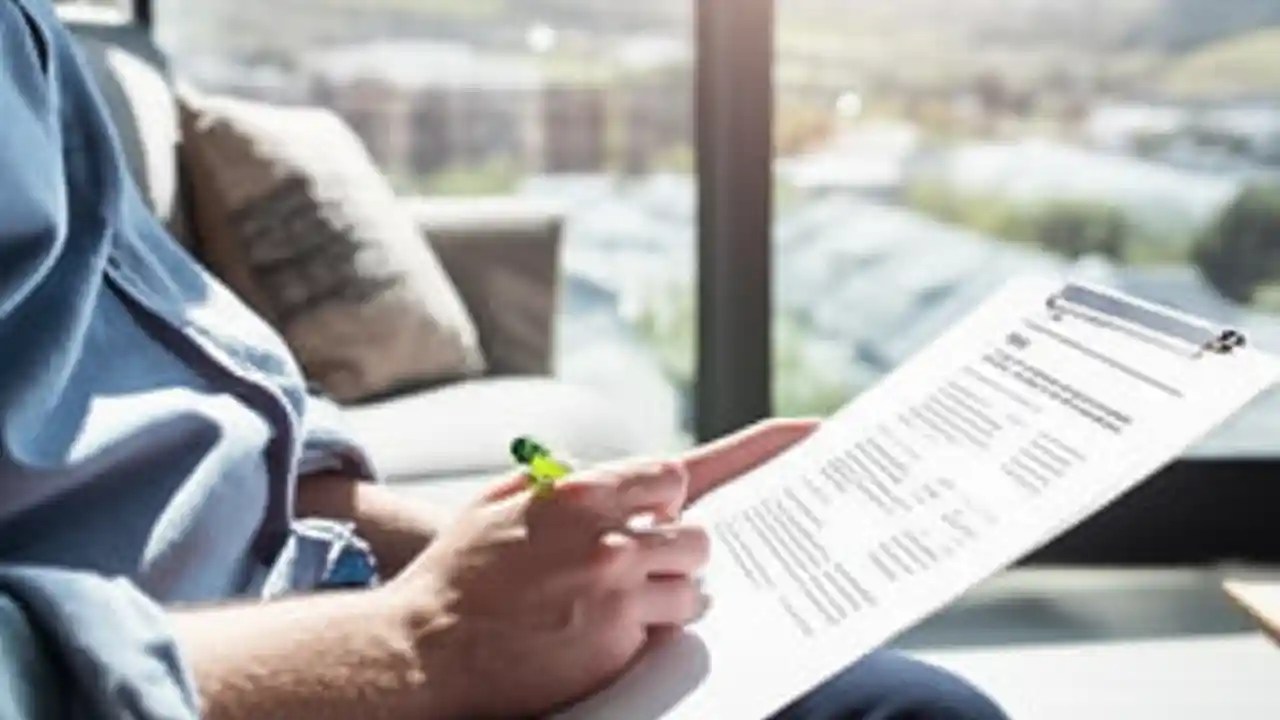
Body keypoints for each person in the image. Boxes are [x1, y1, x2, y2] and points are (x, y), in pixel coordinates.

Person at [0, 1, 1008, 718]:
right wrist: (420, 639)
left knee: (899, 700)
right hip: (219, 681)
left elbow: (184, 457)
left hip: (301, 603)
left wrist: (519, 553)